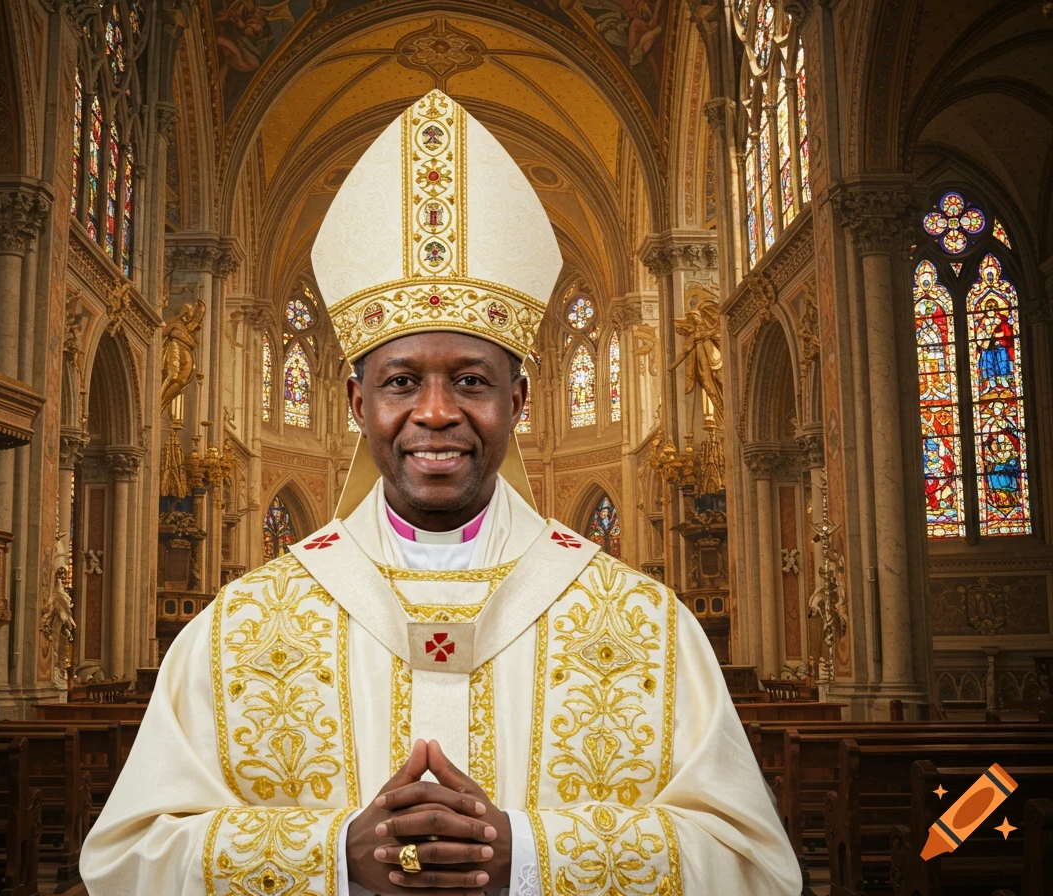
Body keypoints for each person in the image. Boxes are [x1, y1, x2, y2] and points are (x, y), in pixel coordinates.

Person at [80, 89, 802, 896]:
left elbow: (755, 864)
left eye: (469, 380)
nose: (434, 412)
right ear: (357, 404)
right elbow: (124, 858)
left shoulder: (644, 624)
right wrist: (330, 863)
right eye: (400, 382)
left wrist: (524, 857)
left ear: (519, 403)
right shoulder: (243, 624)